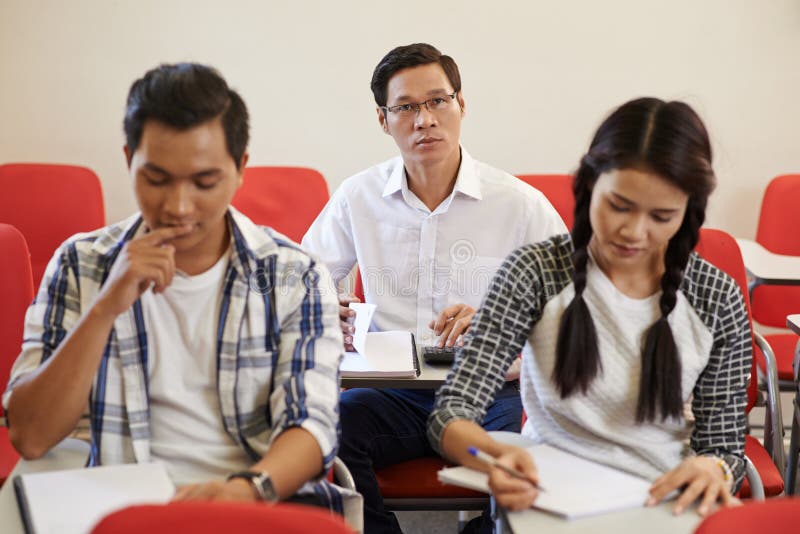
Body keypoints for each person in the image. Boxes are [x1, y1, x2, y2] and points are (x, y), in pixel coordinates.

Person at [3, 63, 358, 517]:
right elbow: (30, 436)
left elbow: (312, 425)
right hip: (117, 508)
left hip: (251, 503)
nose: (178, 206)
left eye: (204, 182)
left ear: (240, 168)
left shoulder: (294, 273)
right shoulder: (81, 262)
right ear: (129, 159)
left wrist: (246, 490)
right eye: (156, 179)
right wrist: (104, 308)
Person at [429, 97, 750, 520]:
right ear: (587, 183)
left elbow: (725, 448)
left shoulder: (716, 296)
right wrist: (487, 454)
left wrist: (715, 468)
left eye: (662, 216)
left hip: (663, 500)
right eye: (619, 205)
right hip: (546, 498)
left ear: (689, 212)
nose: (635, 232)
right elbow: (449, 414)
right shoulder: (536, 272)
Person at [302, 43, 566, 532]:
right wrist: (329, 308)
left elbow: (572, 310)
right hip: (392, 393)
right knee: (326, 433)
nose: (424, 120)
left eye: (437, 101)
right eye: (406, 107)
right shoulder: (358, 196)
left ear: (461, 105)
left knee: (543, 460)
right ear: (384, 120)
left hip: (494, 395)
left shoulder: (520, 205)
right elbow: (304, 278)